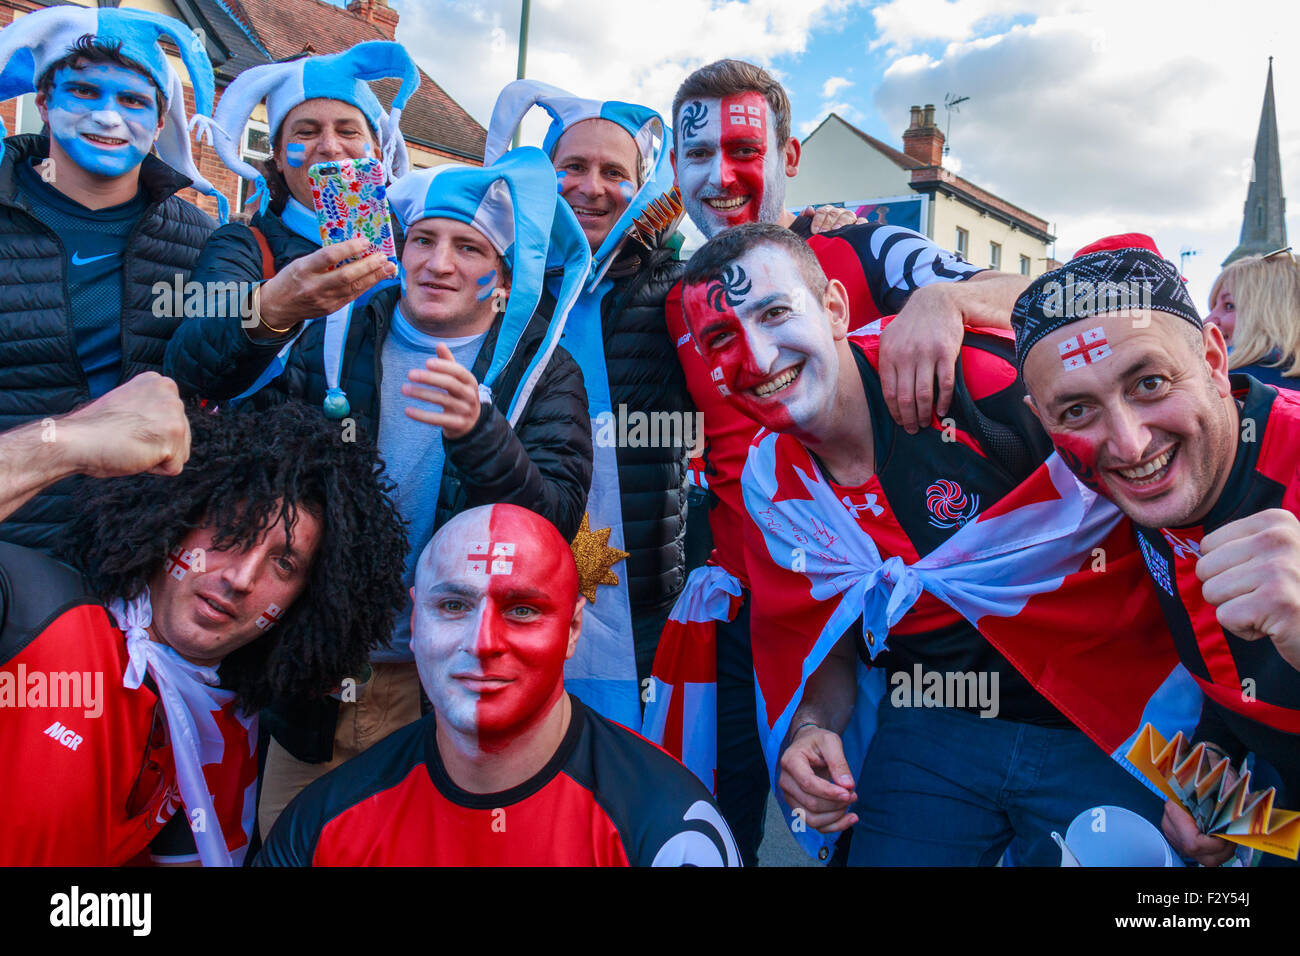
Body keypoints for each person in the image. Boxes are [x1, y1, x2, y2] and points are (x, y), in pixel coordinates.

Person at [682, 223, 1165, 866]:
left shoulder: (979, 383)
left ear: (833, 307)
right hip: (934, 726)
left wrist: (950, 298)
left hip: (1107, 717)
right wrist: (811, 730)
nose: (759, 358)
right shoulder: (771, 481)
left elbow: (1118, 315)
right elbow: (826, 635)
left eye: (775, 313)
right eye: (721, 338)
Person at [652, 58, 1035, 865]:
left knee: (877, 821)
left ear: (789, 159)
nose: (719, 176)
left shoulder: (858, 249)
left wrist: (943, 298)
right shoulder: (675, 297)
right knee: (721, 824)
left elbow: (1055, 301)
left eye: (744, 150)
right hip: (751, 604)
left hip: (885, 614)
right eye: (696, 156)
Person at [168, 148, 594, 835]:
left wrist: (480, 433)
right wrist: (271, 312)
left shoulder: (541, 369)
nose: (438, 263)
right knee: (290, 842)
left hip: (444, 691)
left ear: (503, 275)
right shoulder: (336, 330)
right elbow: (201, 378)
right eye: (423, 239)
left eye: (468, 246)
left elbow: (556, 522)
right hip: (316, 674)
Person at [0, 389, 408, 865]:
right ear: (175, 517)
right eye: (231, 531)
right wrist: (65, 443)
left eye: (283, 564)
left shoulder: (225, 727)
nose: (241, 577)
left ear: (308, 601)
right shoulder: (33, 612)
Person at [1015, 241, 1300, 866]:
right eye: (1078, 409)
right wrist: (1215, 769)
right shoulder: (1135, 488)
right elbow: (1228, 673)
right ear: (1041, 418)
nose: (1129, 442)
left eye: (1150, 383)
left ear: (1213, 356)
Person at [256, 503, 740, 866]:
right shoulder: (322, 823)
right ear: (415, 617)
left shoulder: (668, 827)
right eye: (453, 606)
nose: (482, 642)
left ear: (572, 632)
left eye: (522, 610)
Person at [483, 81, 695, 723]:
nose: (592, 187)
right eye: (571, 167)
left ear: (645, 186)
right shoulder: (498, 283)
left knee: (625, 777)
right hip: (507, 581)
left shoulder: (680, 288)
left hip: (646, 588)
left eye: (614, 172)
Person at [0, 5, 224, 553]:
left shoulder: (201, 238)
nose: (107, 117)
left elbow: (221, 370)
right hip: (12, 541)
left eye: (131, 101)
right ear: (44, 103)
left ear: (157, 120)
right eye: (83, 92)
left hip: (136, 549)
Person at [1206, 248, 1300, 389]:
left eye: (1229, 305)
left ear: (1275, 315)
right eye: (1213, 307)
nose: (1208, 321)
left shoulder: (1227, 387)